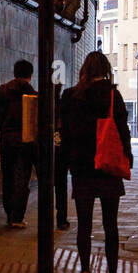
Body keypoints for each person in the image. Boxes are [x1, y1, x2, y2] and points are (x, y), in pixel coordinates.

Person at [62, 51, 132, 273]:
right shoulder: (113, 95)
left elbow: (66, 132)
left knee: (84, 224)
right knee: (110, 224)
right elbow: (123, 131)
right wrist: (128, 158)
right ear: (105, 69)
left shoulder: (71, 95)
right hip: (109, 166)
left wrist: (67, 162)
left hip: (82, 168)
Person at [0, 59, 37, 227]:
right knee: (21, 178)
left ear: (14, 72)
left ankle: (9, 214)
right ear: (30, 75)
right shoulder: (33, 95)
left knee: (7, 177)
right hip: (25, 140)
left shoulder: (2, 91)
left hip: (6, 138)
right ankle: (17, 217)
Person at [53, 82, 72, 230]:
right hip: (65, 147)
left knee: (57, 184)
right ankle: (61, 219)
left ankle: (58, 218)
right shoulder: (66, 108)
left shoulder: (45, 107)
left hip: (54, 149)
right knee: (61, 184)